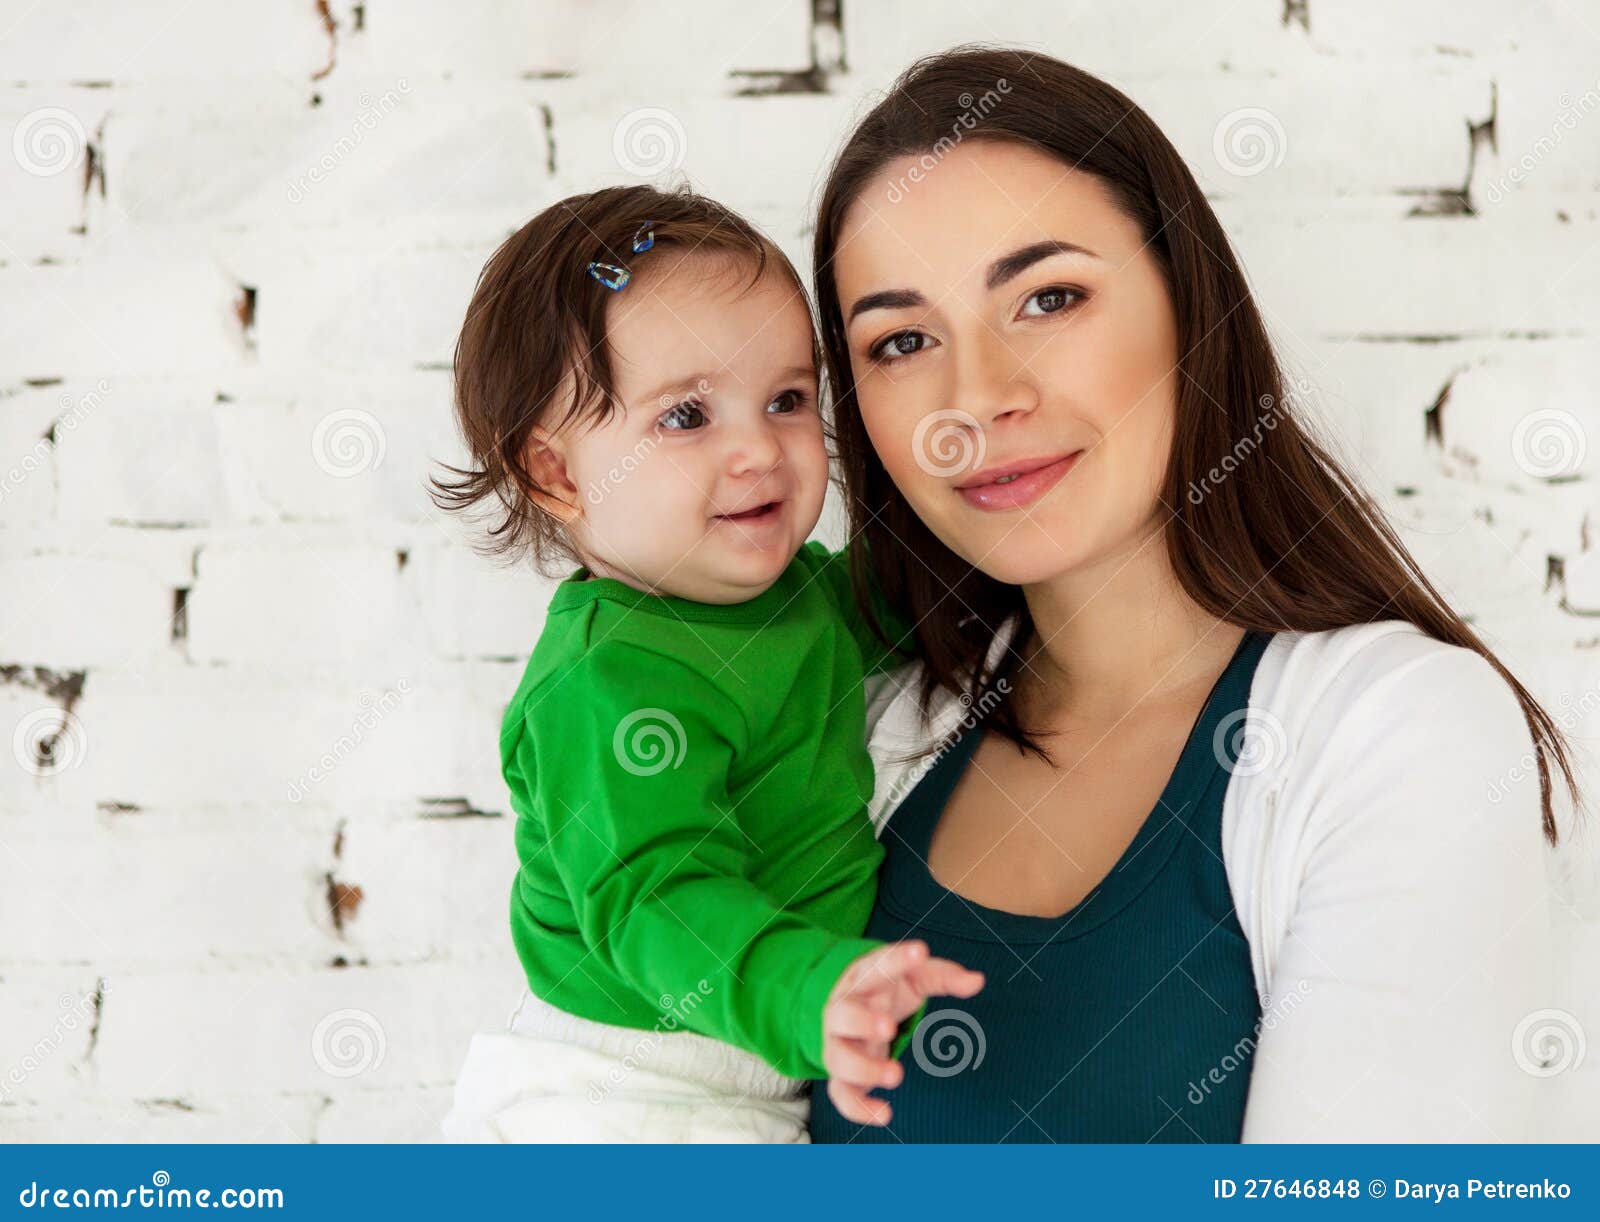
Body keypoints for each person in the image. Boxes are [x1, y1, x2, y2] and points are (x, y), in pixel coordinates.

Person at [804, 46, 1581, 1142]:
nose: (975, 397)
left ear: (1189, 303)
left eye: (1049, 296)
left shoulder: (1403, 736)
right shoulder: (864, 729)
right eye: (903, 340)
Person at [428, 185, 983, 1143]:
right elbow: (658, 901)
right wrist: (807, 992)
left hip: (737, 1081)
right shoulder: (607, 685)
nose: (759, 450)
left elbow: (914, 601)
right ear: (558, 473)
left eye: (787, 399)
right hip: (619, 1097)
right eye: (687, 416)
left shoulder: (792, 598)